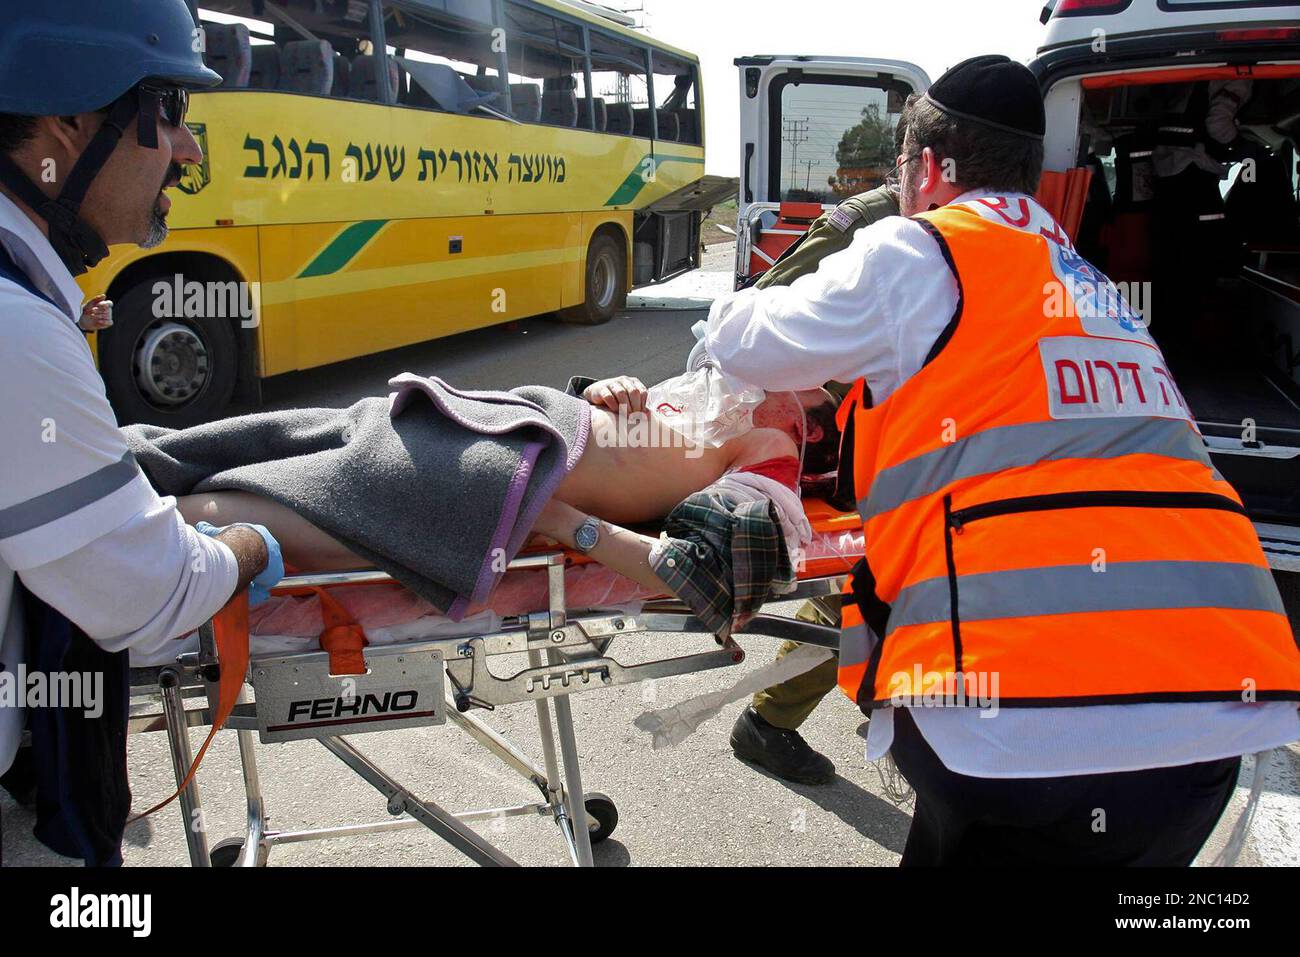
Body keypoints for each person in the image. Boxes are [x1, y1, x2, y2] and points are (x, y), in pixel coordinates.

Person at [699, 54, 1300, 865]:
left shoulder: (918, 252)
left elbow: (736, 345)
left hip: (1015, 719)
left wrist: (744, 305)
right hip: (1217, 716)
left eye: (905, 167)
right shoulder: (1092, 287)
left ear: (931, 169)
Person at [0, 0, 282, 862]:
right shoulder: (14, 328)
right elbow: (146, 597)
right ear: (68, 120)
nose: (189, 148)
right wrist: (245, 545)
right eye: (168, 110)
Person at [170, 376, 840, 597]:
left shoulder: (774, 448)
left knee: (288, 495)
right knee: (294, 436)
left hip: (502, 477)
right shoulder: (730, 394)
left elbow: (703, 575)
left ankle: (128, 529)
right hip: (496, 417)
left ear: (810, 418)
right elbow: (633, 442)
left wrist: (564, 523)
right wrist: (609, 390)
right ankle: (120, 478)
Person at [729, 98, 917, 786]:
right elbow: (772, 301)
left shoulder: (925, 223)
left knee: (866, 581)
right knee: (867, 578)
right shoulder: (875, 220)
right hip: (849, 430)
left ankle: (780, 716)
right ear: (912, 163)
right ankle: (773, 719)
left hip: (894, 430)